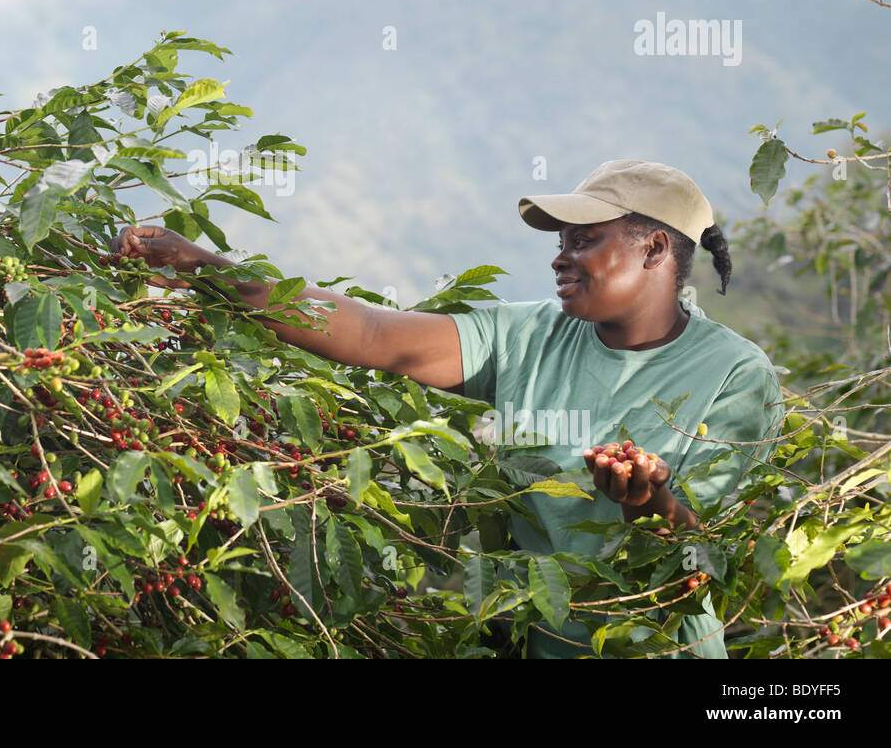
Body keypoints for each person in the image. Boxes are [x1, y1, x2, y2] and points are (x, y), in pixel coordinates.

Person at [110, 158, 784, 658]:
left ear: (656, 247)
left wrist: (648, 500)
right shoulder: (526, 335)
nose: (559, 258)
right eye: (559, 242)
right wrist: (205, 267)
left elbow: (701, 551)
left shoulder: (736, 376)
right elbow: (373, 334)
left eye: (583, 240)